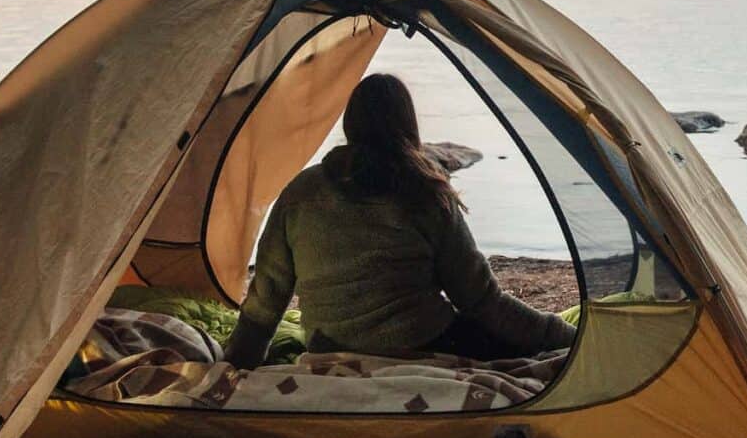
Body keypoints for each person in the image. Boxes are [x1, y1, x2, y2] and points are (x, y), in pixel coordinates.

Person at [219, 73, 578, 371]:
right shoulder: (425, 192)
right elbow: (481, 300)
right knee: (516, 344)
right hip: (422, 338)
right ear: (408, 125)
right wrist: (560, 334)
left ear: (350, 124)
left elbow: (265, 299)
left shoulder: (302, 191)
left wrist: (236, 366)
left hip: (327, 343)